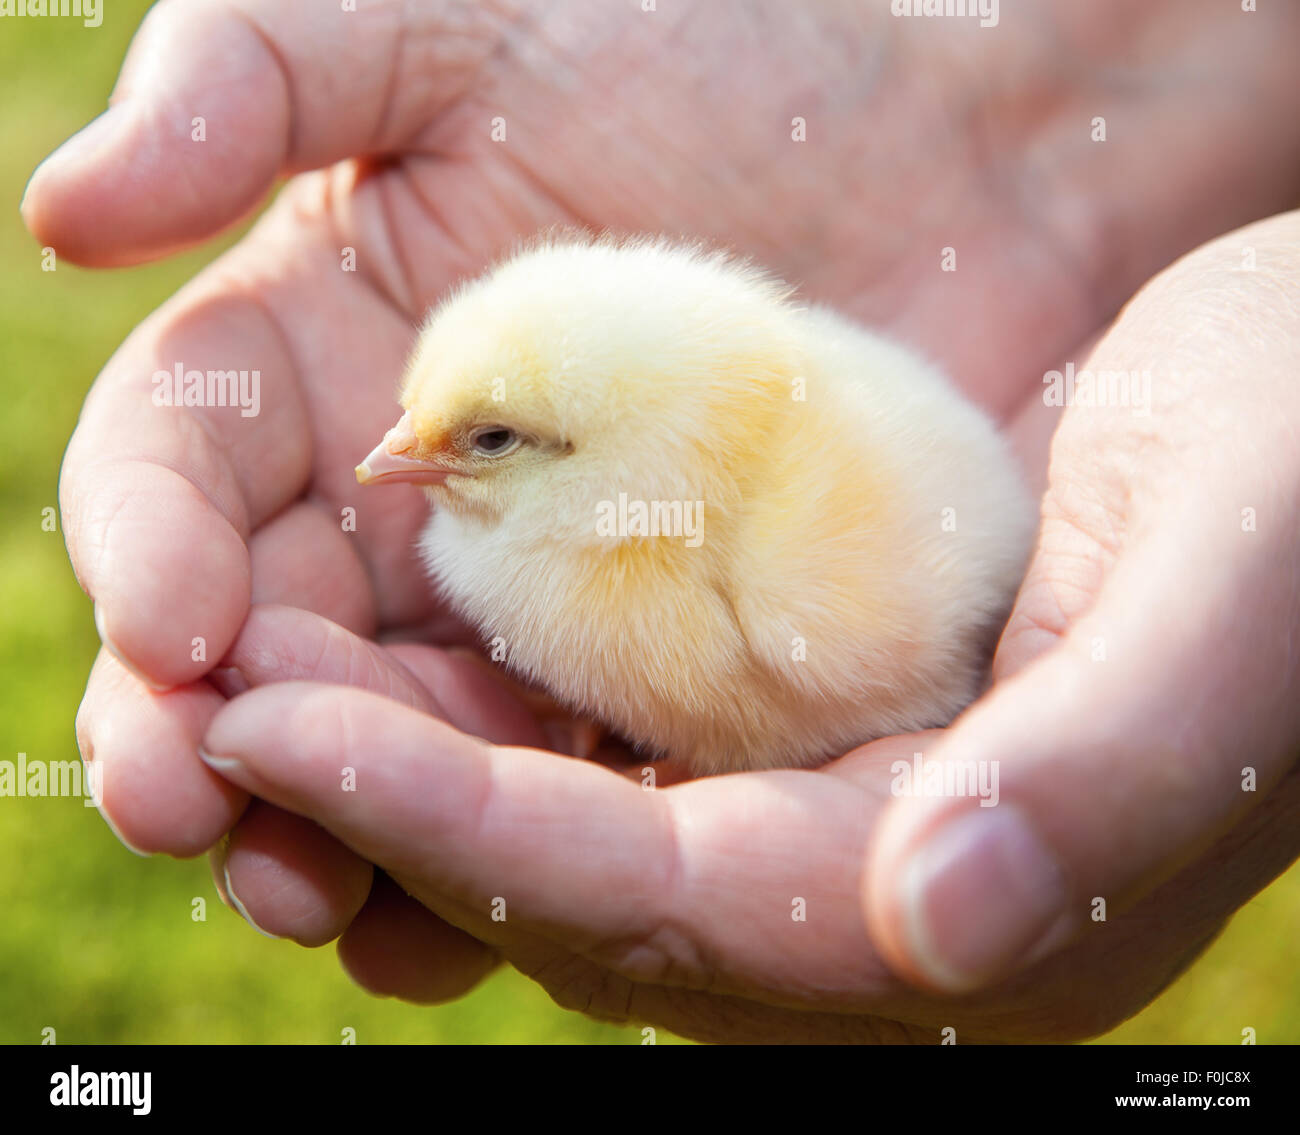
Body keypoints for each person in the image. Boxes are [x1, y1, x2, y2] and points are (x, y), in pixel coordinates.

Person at [24, 0, 1300, 1042]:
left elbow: (902, 618)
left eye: (483, 438)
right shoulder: (604, 472)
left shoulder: (783, 561)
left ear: (585, 449)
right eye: (435, 419)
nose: (403, 456)